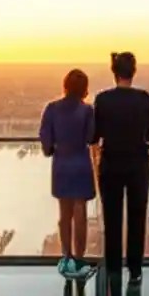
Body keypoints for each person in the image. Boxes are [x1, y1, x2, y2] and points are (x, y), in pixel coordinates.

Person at [93, 52, 149, 287]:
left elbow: (95, 135)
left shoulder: (103, 100)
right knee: (137, 216)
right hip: (138, 164)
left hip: (110, 164)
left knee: (112, 217)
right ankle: (135, 269)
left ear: (114, 72)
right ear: (133, 71)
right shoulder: (145, 99)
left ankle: (113, 268)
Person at [40, 69, 98, 279]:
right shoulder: (87, 110)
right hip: (81, 163)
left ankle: (66, 256)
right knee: (80, 213)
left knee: (64, 215)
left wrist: (52, 150)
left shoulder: (51, 109)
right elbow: (92, 137)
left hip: (62, 163)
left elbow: (46, 141)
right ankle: (80, 259)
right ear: (84, 90)